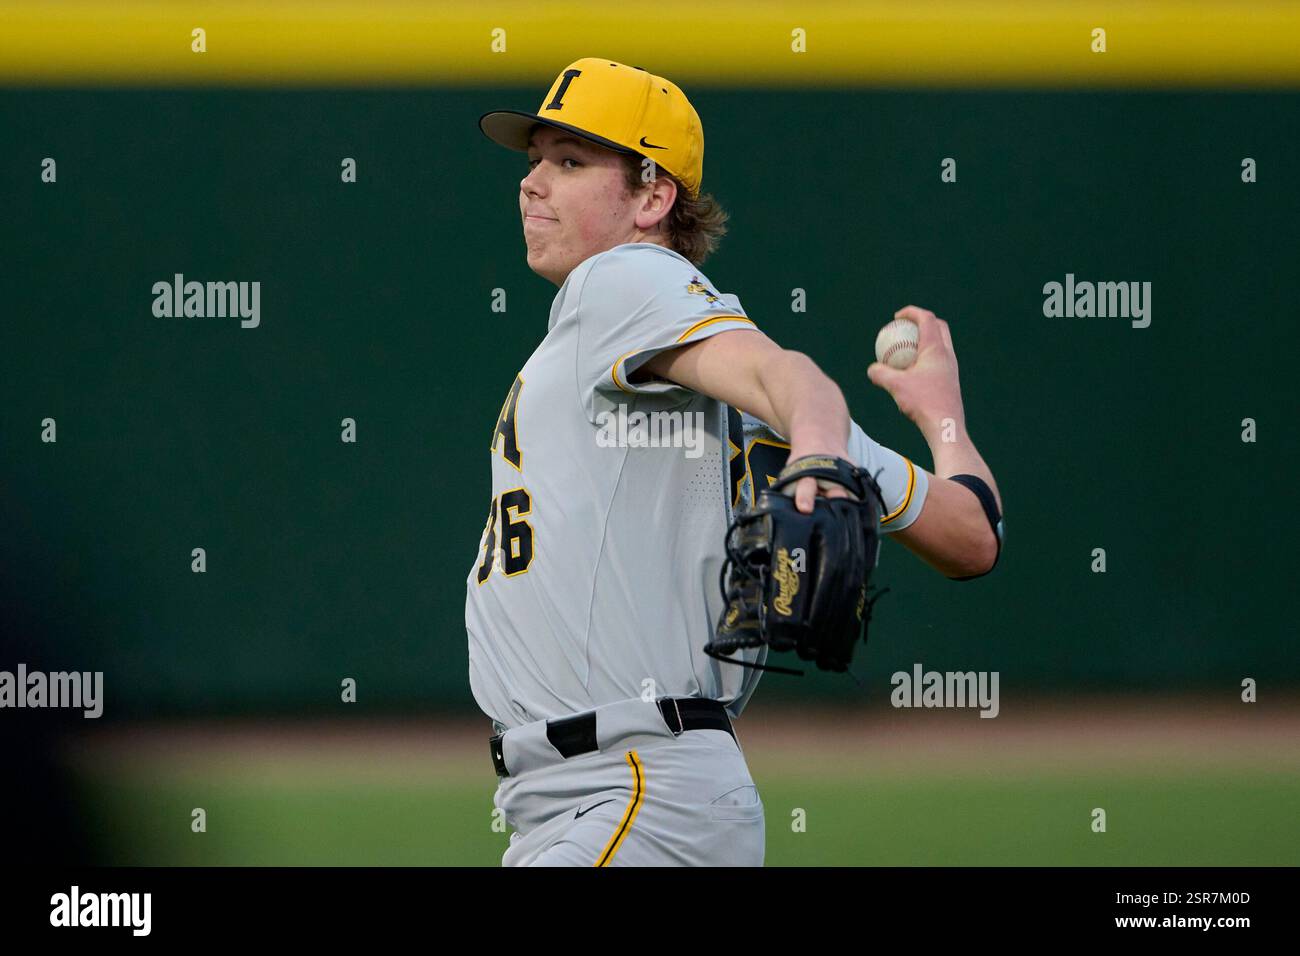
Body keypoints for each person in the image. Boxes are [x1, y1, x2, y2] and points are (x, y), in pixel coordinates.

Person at [469, 57, 1002, 866]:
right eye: (535, 158)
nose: (533, 182)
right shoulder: (756, 410)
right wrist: (942, 420)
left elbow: (785, 372)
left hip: (637, 790)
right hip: (617, 800)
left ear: (653, 198)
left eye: (571, 161)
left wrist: (819, 458)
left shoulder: (623, 281)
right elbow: (972, 533)